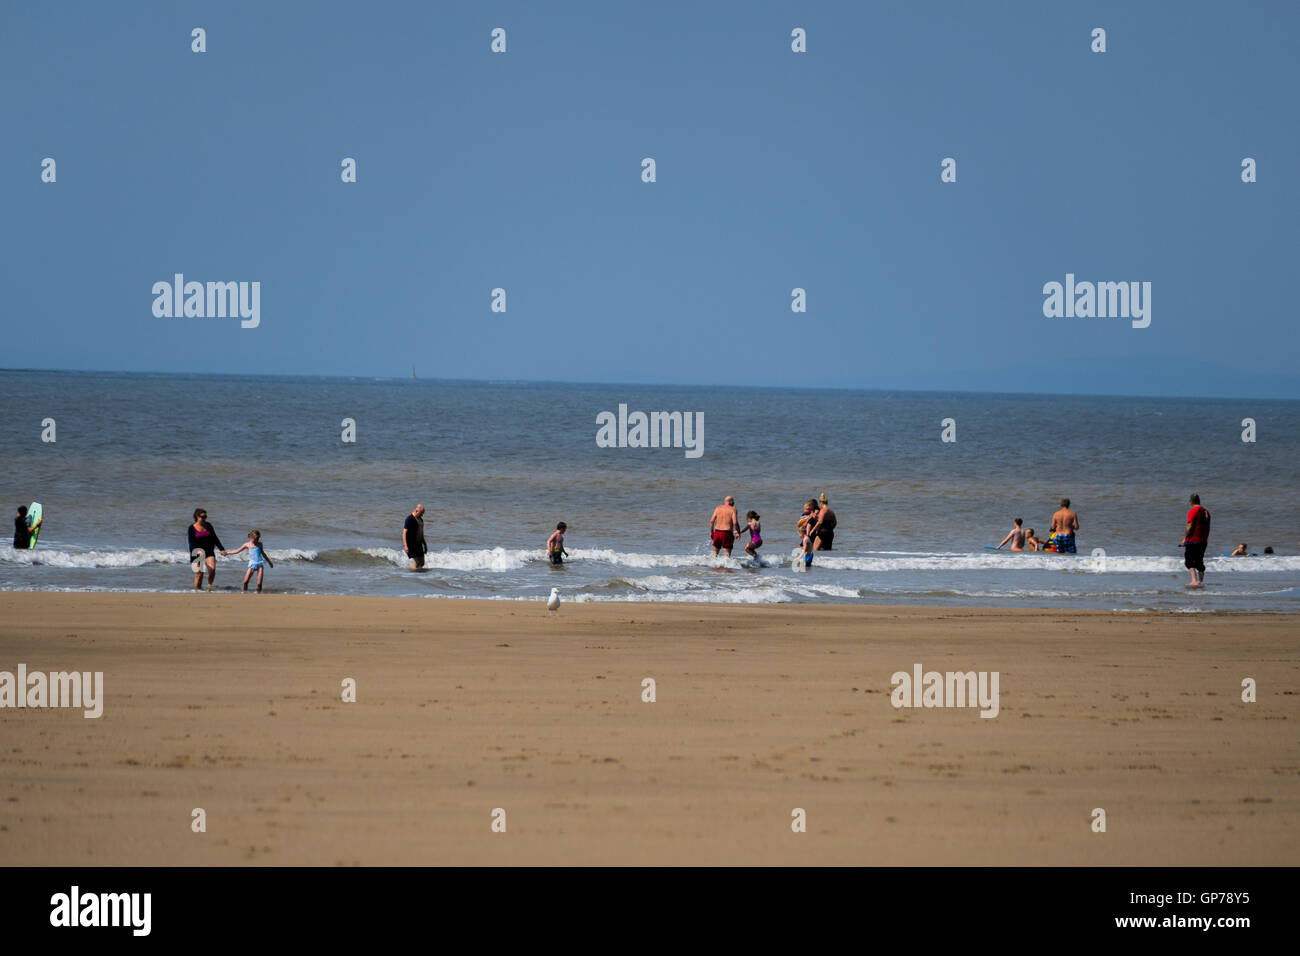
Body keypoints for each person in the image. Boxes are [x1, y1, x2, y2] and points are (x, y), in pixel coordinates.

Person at [187, 508, 225, 591]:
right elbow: (191, 543)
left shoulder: (208, 525)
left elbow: (215, 538)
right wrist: (197, 552)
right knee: (199, 574)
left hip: (209, 551)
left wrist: (221, 549)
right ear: (197, 516)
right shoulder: (191, 528)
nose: (205, 518)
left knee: (212, 569)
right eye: (203, 517)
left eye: (206, 517)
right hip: (196, 552)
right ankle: (197, 590)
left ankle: (209, 586)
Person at [1180, 493, 1211, 588]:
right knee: (1199, 561)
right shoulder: (1206, 512)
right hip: (1203, 540)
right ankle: (1201, 581)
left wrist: (1185, 538)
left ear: (1191, 501)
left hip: (1193, 540)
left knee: (1189, 560)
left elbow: (1190, 526)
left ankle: (1194, 581)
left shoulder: (1193, 511)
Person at [403, 504, 427, 570]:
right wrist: (405, 545)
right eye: (421, 513)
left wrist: (425, 545)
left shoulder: (421, 520)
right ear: (416, 511)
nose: (422, 515)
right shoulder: (409, 519)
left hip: (419, 544)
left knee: (422, 563)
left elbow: (421, 533)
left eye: (423, 513)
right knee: (417, 563)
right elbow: (404, 533)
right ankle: (412, 576)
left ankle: (408, 570)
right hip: (411, 544)